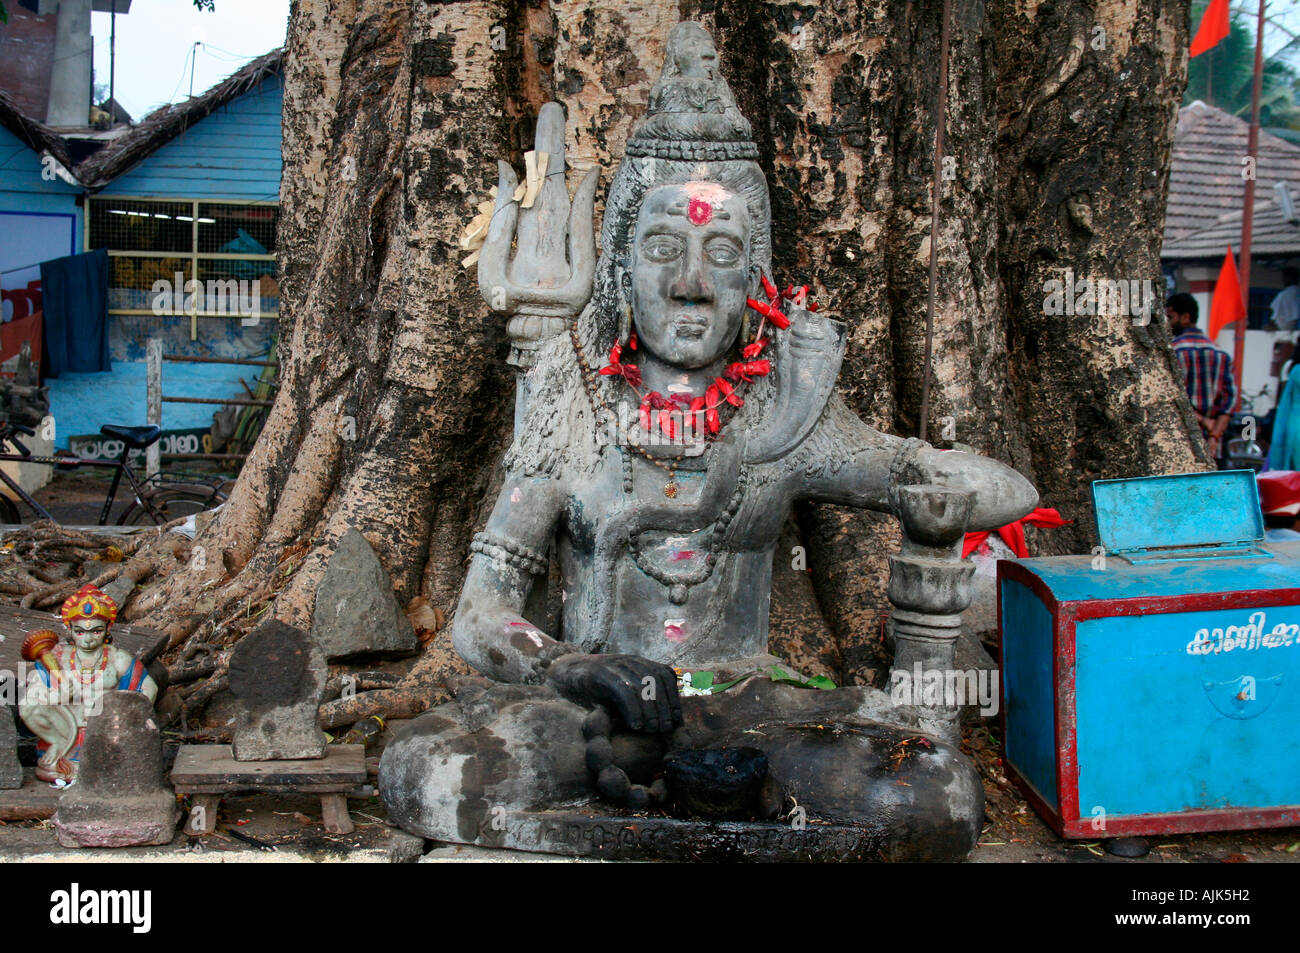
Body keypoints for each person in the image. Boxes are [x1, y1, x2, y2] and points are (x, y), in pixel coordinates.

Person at [1168, 292, 1239, 458]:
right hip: (1213, 446)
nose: (1168, 324)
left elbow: (1172, 399)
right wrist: (1213, 435)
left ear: (1185, 317)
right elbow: (1229, 403)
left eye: (1170, 318)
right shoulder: (1221, 353)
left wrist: (1203, 421)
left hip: (1180, 443)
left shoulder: (1172, 353)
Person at [1269, 267, 1300, 332]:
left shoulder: (1284, 294)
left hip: (1281, 330)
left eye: (1284, 277)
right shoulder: (1297, 292)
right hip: (1292, 330)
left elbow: (1274, 315)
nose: (1282, 280)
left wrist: (1271, 326)